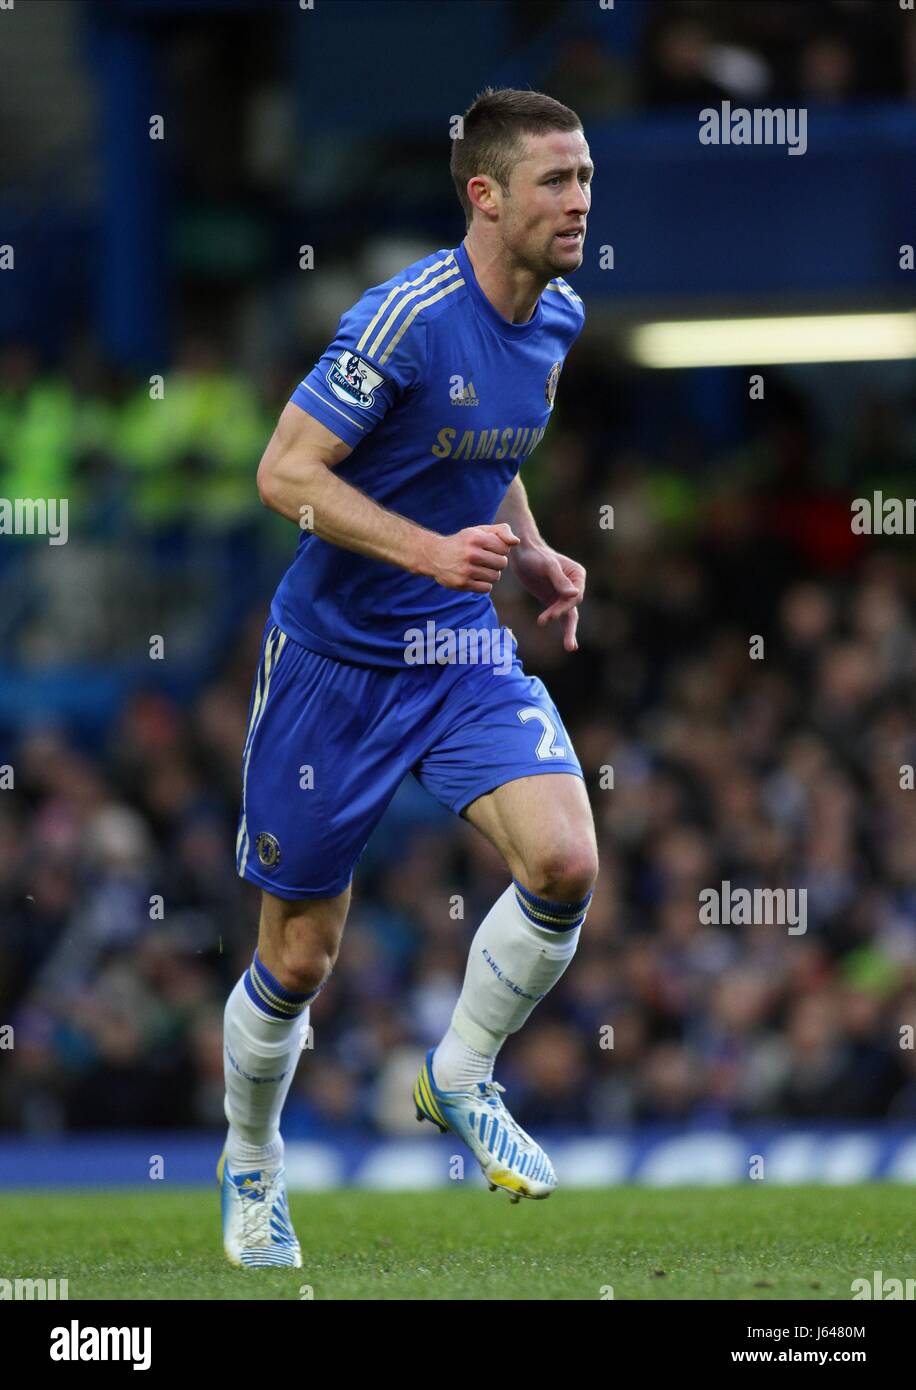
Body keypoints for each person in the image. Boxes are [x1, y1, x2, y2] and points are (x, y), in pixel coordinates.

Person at [219, 86, 599, 1268]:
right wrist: (435, 553)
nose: (581, 200)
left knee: (566, 859)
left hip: (458, 649)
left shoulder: (559, 316)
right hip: (334, 664)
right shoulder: (404, 317)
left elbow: (483, 451)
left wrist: (526, 550)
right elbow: (285, 474)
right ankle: (252, 1160)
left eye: (585, 177)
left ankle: (458, 1074)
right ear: (483, 195)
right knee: (298, 957)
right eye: (556, 181)